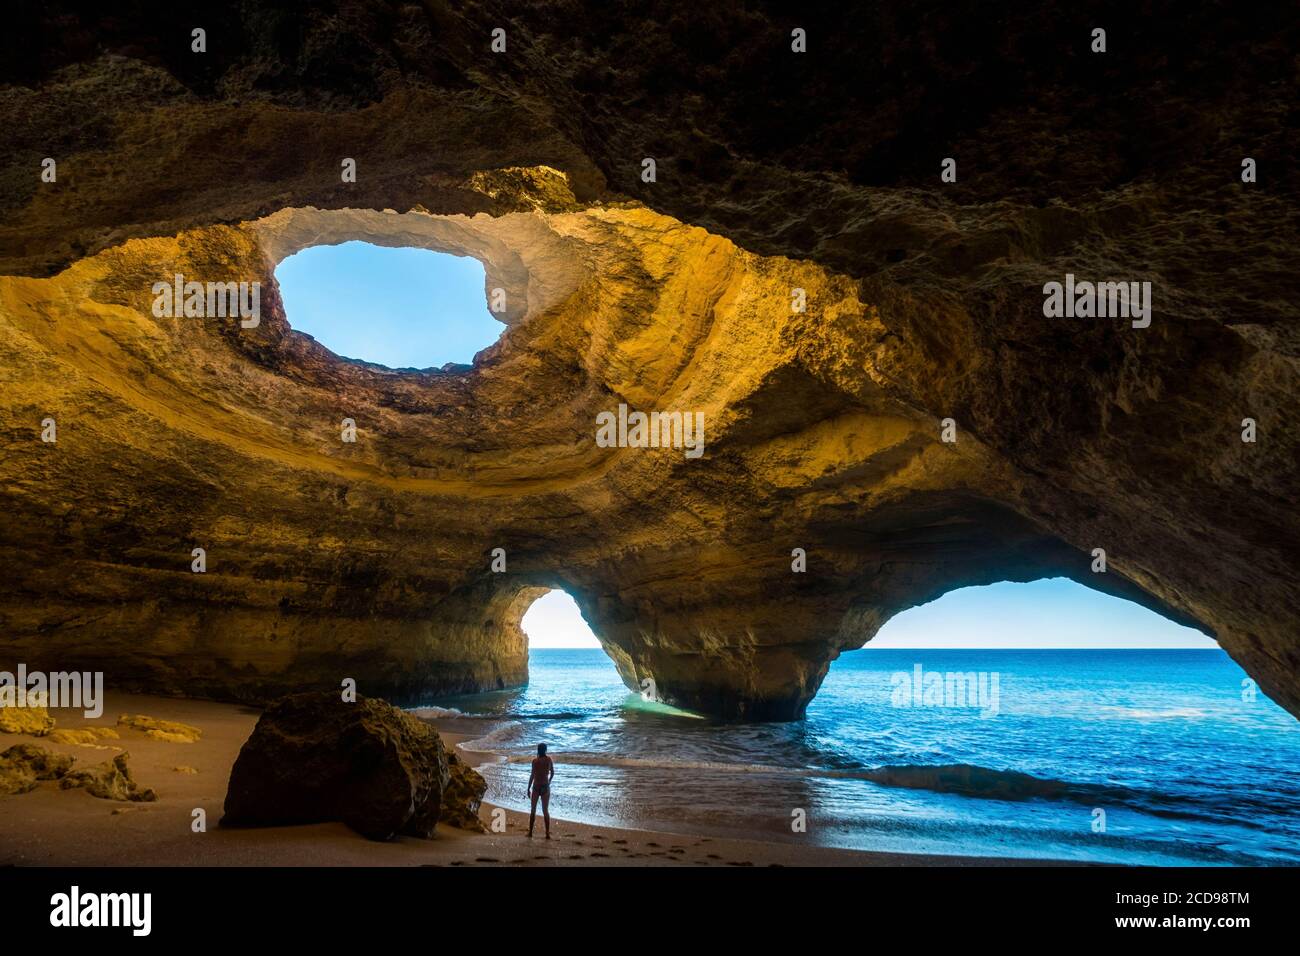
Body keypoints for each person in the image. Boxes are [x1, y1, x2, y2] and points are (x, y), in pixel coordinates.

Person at [526, 742, 554, 839]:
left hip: (536, 787)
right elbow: (552, 772)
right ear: (545, 750)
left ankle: (530, 832)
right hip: (545, 787)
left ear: (538, 750)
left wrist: (528, 788)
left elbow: (532, 776)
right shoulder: (549, 760)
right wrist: (549, 781)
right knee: (545, 811)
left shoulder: (535, 761)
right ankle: (547, 833)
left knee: (533, 810)